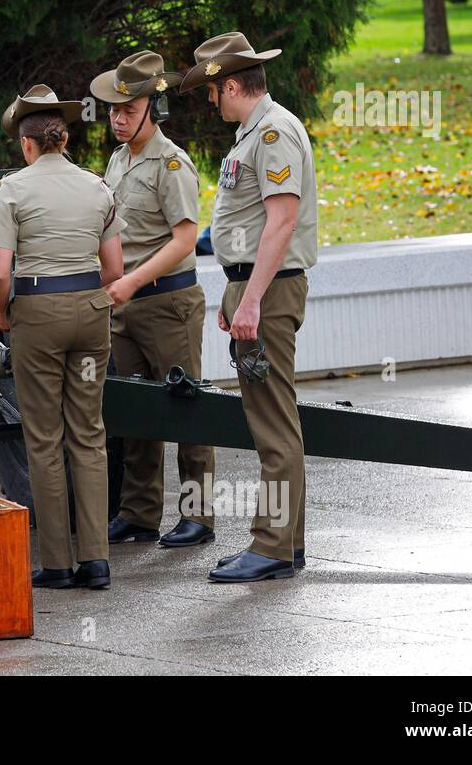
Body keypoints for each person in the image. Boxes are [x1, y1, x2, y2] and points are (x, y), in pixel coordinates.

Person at [178, 32, 318, 583]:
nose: (211, 102)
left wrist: (252, 298)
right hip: (257, 288)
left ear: (231, 85)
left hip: (272, 289)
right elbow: (253, 225)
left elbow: (282, 220)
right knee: (272, 415)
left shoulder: (273, 131)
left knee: (271, 421)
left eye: (213, 92)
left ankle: (273, 546)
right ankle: (287, 544)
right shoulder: (254, 133)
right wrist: (236, 294)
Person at [0, 85, 125, 591]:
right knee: (88, 433)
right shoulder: (96, 187)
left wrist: (2, 314)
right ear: (63, 139)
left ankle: (59, 563)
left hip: (37, 313)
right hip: (90, 311)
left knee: (43, 438)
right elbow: (114, 268)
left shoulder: (11, 191)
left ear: (27, 145)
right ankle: (97, 560)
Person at [91, 51, 216, 548]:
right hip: (128, 304)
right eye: (113, 111)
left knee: (187, 407)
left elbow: (185, 240)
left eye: (128, 109)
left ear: (154, 110)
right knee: (136, 411)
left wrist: (131, 282)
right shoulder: (118, 160)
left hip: (168, 303)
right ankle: (140, 513)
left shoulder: (171, 163)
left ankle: (197, 515)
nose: (118, 119)